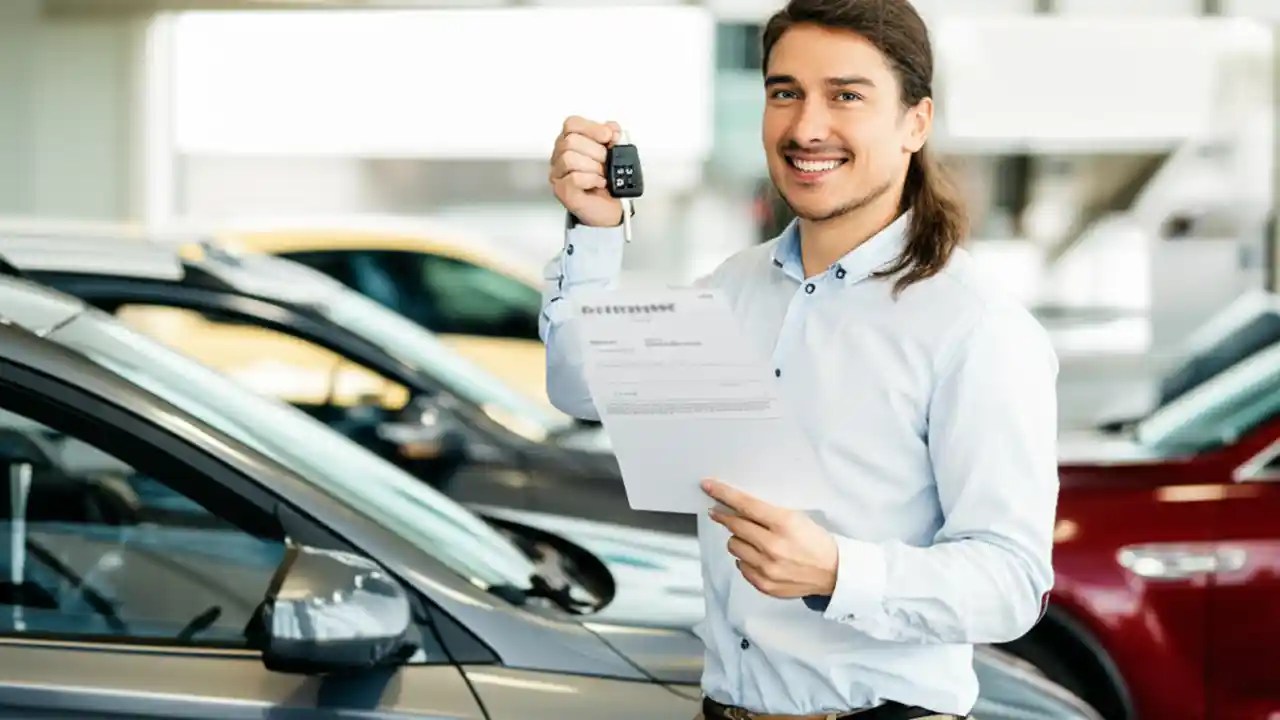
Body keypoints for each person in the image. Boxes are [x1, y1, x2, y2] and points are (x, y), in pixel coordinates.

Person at [539, 0, 1060, 718]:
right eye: (785, 92)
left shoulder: (977, 327)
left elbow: (1012, 582)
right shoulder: (732, 288)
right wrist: (595, 232)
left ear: (915, 123)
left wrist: (839, 571)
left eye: (846, 95)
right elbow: (580, 388)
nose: (806, 126)